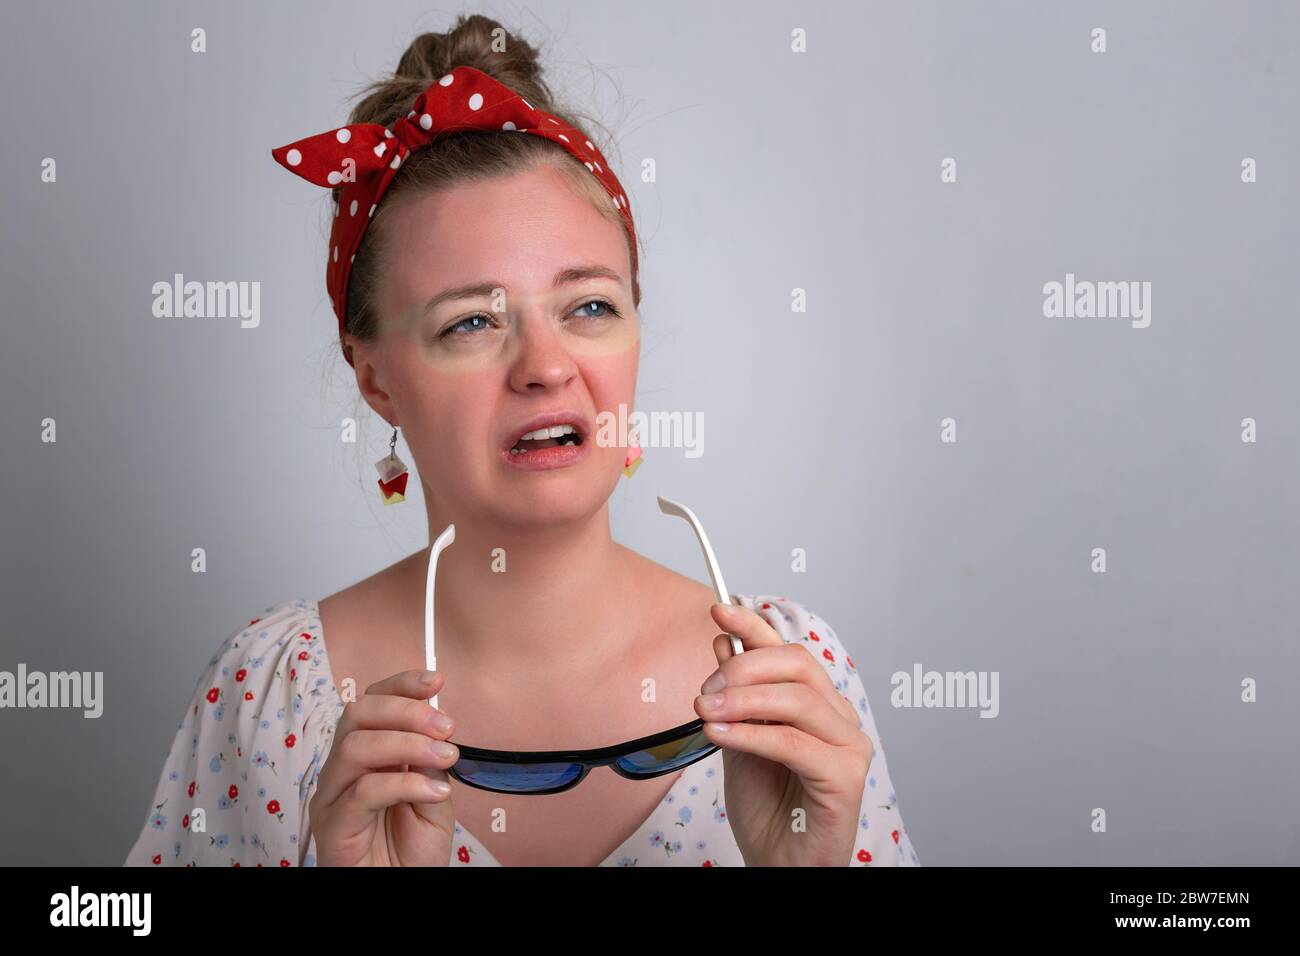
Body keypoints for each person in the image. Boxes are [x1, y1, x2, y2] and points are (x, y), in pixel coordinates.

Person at [124, 13, 919, 868]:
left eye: (589, 307)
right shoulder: (274, 701)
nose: (546, 366)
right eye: (470, 322)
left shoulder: (795, 685)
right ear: (375, 379)